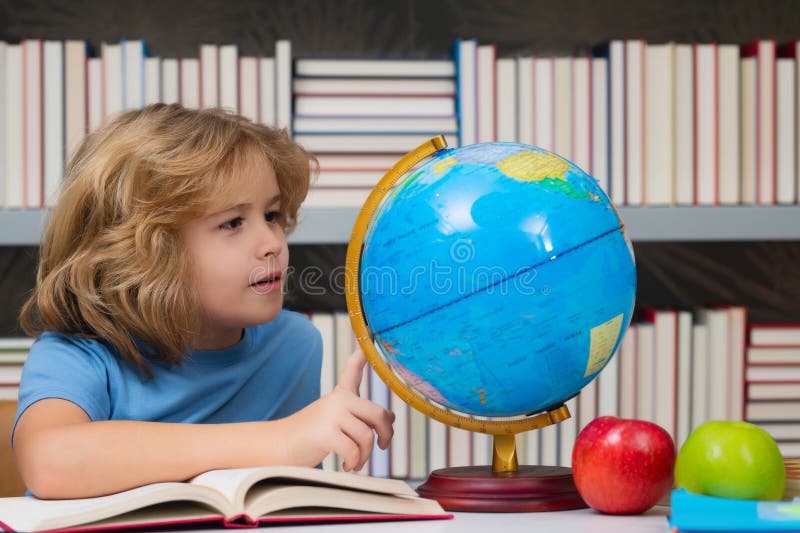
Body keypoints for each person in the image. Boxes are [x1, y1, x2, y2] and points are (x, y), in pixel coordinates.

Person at [12, 103, 394, 499]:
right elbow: (49, 463)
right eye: (232, 223)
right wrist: (281, 440)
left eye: (272, 214)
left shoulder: (294, 346)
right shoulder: (77, 356)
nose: (273, 244)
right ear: (145, 250)